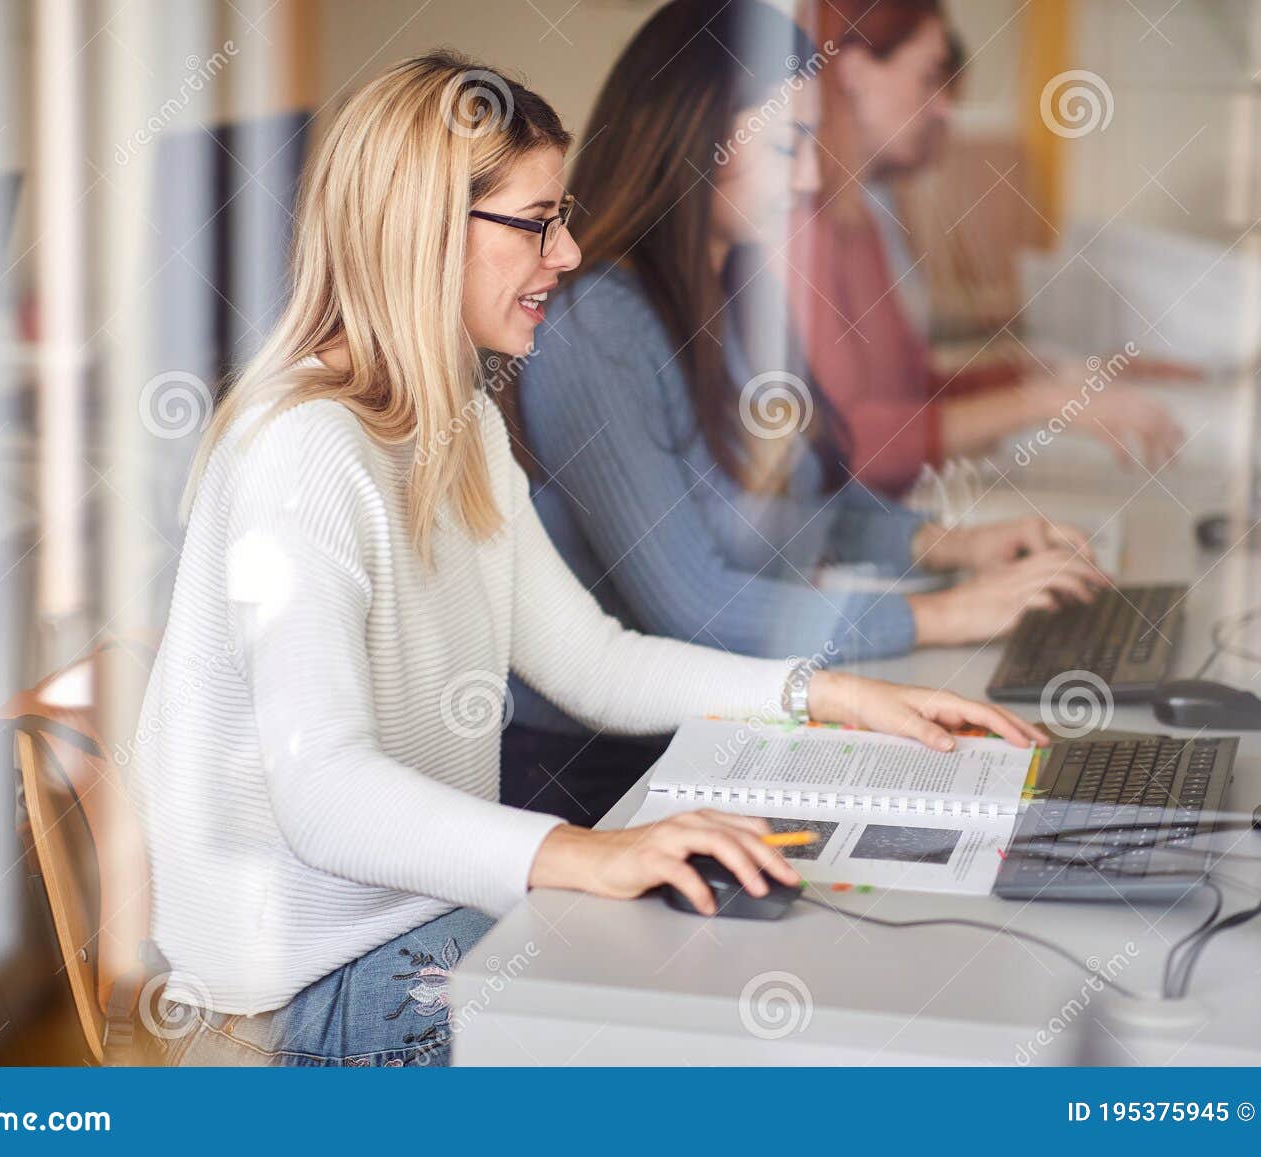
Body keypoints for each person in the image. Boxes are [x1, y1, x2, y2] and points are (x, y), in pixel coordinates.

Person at [128, 50, 1048, 1069]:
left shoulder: (461, 424)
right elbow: (325, 792)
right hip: (304, 991)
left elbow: (593, 660)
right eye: (536, 222)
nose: (566, 253)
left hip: (416, 922)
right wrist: (585, 853)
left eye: (559, 218)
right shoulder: (303, 448)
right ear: (422, 227)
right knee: (679, 1036)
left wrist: (828, 695)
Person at [501, 0, 1101, 826]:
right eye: (788, 148)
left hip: (717, 717)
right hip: (595, 768)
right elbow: (693, 606)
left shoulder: (735, 286)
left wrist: (954, 545)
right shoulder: (595, 323)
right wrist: (942, 613)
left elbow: (806, 501)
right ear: (695, 141)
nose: (812, 180)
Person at [794, 0, 1187, 493]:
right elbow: (854, 447)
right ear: (853, 71)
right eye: (928, 78)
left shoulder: (857, 221)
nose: (945, 107)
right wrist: (1039, 401)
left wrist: (1052, 378)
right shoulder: (802, 225)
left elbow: (913, 396)